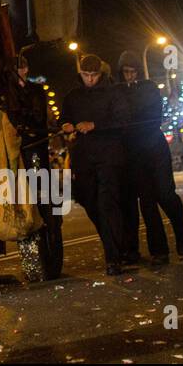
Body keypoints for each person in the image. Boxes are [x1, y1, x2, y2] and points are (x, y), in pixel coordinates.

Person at [115, 50, 183, 264]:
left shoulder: (148, 88)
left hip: (154, 147)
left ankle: (179, 228)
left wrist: (130, 119)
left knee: (165, 194)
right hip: (134, 152)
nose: (129, 76)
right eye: (126, 72)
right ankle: (159, 250)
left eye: (132, 72)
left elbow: (152, 113)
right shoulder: (118, 91)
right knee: (147, 203)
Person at [58, 54, 129, 275]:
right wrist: (66, 124)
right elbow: (63, 117)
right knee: (89, 201)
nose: (90, 79)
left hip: (109, 154)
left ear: (101, 73)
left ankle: (113, 258)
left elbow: (123, 120)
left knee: (107, 204)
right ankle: (116, 242)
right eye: (86, 75)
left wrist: (95, 125)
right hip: (83, 157)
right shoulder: (72, 95)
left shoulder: (113, 92)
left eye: (94, 75)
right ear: (80, 73)